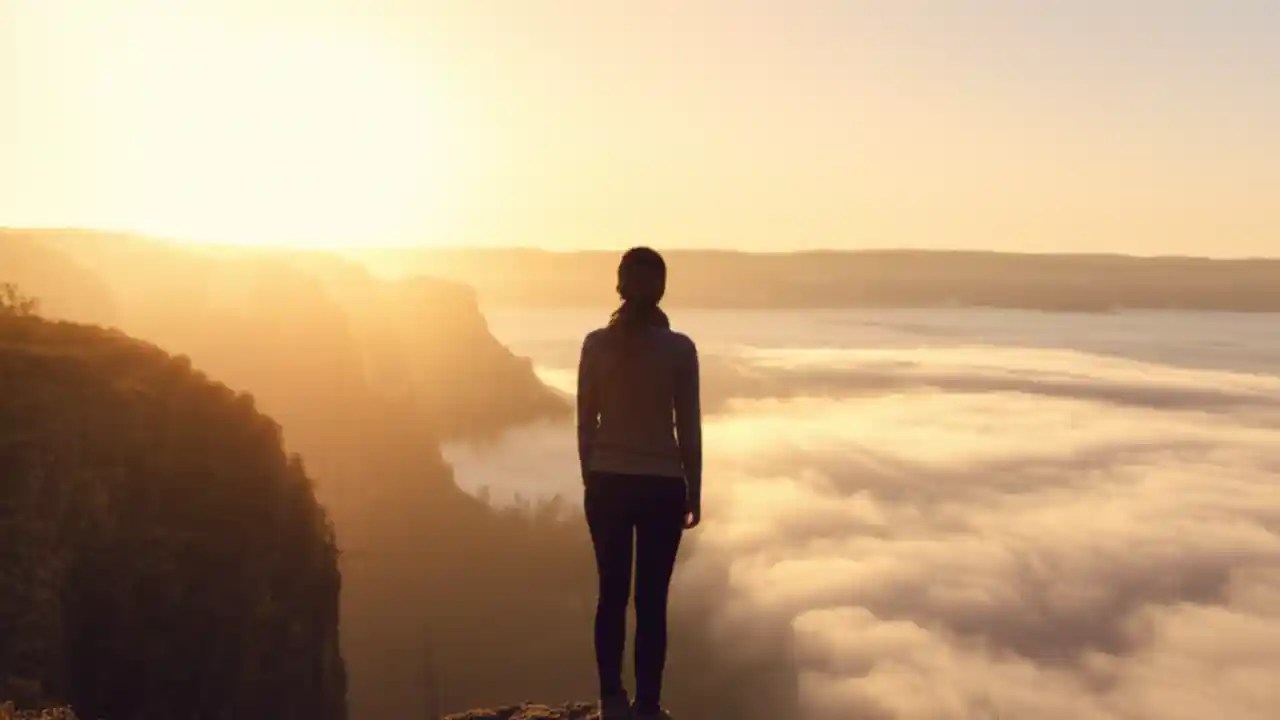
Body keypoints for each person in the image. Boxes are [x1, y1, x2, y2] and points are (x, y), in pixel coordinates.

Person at [577, 247, 702, 720]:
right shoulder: (680, 349)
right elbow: (687, 426)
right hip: (662, 485)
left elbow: (585, 421)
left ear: (619, 285)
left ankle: (612, 700)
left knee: (610, 593)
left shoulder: (595, 344)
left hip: (607, 481)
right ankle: (647, 704)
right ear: (662, 289)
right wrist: (695, 487)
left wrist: (591, 473)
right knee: (651, 600)